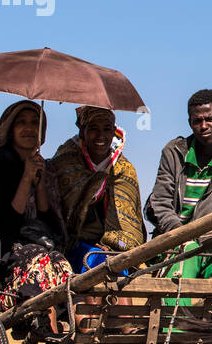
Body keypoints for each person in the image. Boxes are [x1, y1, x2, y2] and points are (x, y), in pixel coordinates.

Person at [0, 100, 72, 322]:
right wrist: (26, 178)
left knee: (59, 263)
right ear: (11, 128)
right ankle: (37, 324)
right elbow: (4, 219)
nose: (29, 129)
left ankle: (61, 330)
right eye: (22, 123)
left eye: (35, 123)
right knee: (39, 261)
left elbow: (46, 216)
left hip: (26, 240)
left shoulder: (42, 164)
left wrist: (40, 182)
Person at [145, 89, 212, 296]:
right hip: (175, 242)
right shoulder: (174, 153)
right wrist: (182, 236)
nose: (203, 126)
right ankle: (173, 328)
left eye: (210, 119)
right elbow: (160, 202)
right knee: (184, 265)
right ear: (189, 122)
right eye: (197, 121)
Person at [49, 106, 146, 273]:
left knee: (115, 266)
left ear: (113, 132)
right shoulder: (65, 161)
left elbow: (129, 223)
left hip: (115, 248)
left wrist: (109, 244)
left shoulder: (123, 169)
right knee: (96, 263)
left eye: (107, 129)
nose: (101, 135)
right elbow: (58, 212)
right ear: (82, 132)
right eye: (93, 128)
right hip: (71, 243)